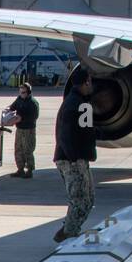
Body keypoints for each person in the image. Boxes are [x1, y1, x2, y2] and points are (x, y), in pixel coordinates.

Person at [53, 68, 97, 241]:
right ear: (86, 82)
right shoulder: (76, 104)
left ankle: (70, 228)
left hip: (76, 157)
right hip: (72, 159)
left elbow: (86, 131)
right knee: (80, 199)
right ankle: (69, 233)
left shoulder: (78, 103)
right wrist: (74, 158)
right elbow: (65, 135)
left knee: (87, 199)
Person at [2, 81, 39, 178]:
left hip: (28, 130)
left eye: (23, 92)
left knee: (28, 150)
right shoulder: (19, 99)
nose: (21, 94)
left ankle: (30, 170)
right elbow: (12, 107)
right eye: (20, 92)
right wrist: (7, 110)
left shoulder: (33, 103)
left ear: (28, 93)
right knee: (18, 149)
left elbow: (34, 117)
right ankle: (20, 169)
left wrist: (20, 118)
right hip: (20, 129)